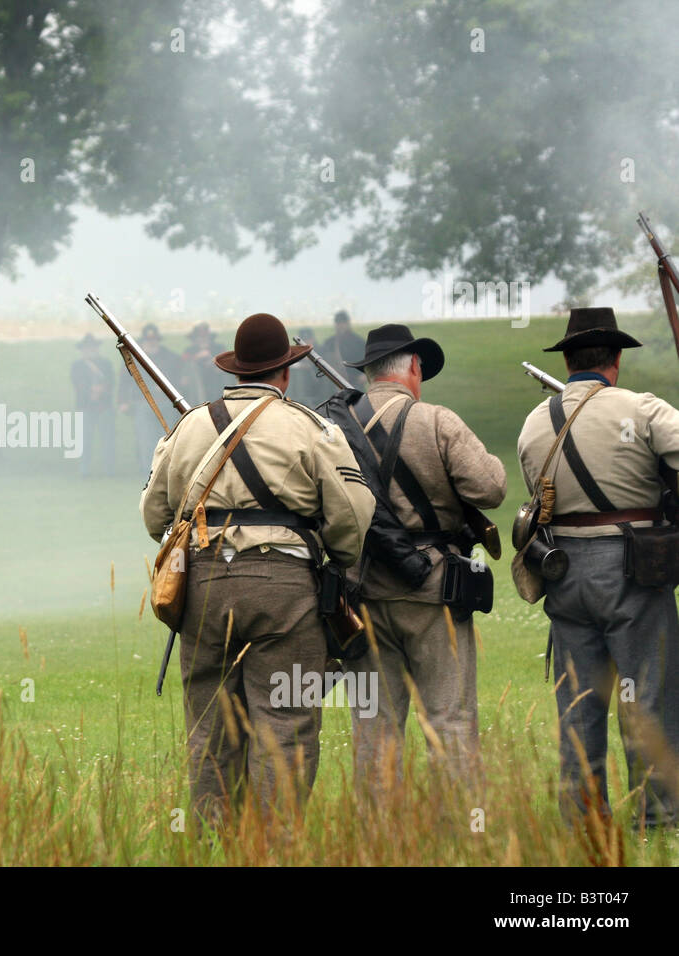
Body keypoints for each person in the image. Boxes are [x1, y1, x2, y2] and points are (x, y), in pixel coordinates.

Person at [140, 312, 375, 826]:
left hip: (201, 588)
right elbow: (353, 517)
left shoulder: (190, 426)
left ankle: (210, 846)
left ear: (238, 370)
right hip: (285, 590)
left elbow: (153, 515)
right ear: (285, 373)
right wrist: (335, 560)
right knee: (285, 723)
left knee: (209, 729)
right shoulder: (310, 428)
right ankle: (274, 849)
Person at [516, 307, 679, 829]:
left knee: (579, 702)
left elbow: (534, 493)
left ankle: (582, 817)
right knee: (645, 694)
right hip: (634, 567)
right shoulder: (644, 409)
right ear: (616, 360)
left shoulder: (536, 422)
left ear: (567, 361)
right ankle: (655, 817)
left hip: (563, 571)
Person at [335, 324, 506, 796]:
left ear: (369, 374)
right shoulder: (437, 421)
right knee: (449, 719)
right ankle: (456, 830)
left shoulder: (335, 430)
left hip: (362, 593)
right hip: (434, 592)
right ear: (413, 367)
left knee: (374, 726)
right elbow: (491, 489)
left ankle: (378, 835)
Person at [119, 323, 186, 479]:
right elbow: (124, 382)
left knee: (168, 441)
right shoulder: (133, 358)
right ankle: (148, 475)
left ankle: (167, 474)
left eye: (154, 339)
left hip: (167, 405)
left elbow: (181, 380)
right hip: (143, 405)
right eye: (149, 340)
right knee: (145, 441)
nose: (151, 342)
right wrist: (122, 401)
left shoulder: (172, 358)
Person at [70, 333, 116, 477]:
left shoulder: (106, 364)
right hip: (85, 406)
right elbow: (78, 383)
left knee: (107, 440)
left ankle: (110, 470)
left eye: (92, 347)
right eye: (87, 347)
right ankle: (84, 470)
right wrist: (92, 391)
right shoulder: (77, 366)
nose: (89, 350)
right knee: (85, 440)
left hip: (104, 407)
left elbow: (111, 381)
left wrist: (101, 390)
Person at [180, 321, 226, 405]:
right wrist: (196, 358)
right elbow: (183, 375)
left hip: (217, 389)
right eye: (199, 337)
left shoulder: (219, 348)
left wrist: (212, 361)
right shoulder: (189, 351)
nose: (202, 339)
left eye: (204, 336)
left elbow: (225, 368)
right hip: (196, 392)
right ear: (194, 338)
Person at [320, 311, 366, 391]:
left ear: (348, 323)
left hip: (355, 382)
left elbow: (367, 360)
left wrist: (365, 374)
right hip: (334, 382)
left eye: (343, 322)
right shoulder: (329, 343)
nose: (341, 325)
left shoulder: (359, 342)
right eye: (338, 323)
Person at [286, 326, 327, 408]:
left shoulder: (321, 351)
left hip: (318, 389)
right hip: (297, 390)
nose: (306, 342)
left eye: (309, 339)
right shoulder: (295, 353)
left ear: (313, 339)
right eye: (304, 340)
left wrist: (310, 365)